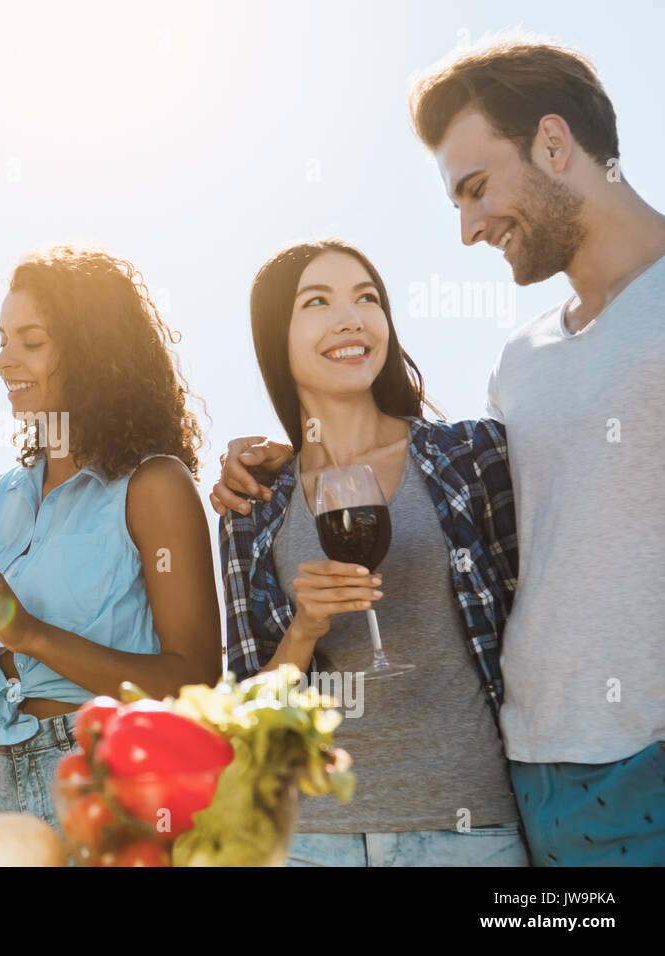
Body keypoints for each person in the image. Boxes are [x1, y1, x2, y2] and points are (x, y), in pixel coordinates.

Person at [215, 37, 665, 866]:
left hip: (625, 769)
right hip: (536, 769)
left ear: (555, 145)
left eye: (476, 188)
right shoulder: (523, 364)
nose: (466, 229)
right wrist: (289, 459)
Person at [220, 238, 527, 866]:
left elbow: (539, 621)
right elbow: (253, 710)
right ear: (277, 335)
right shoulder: (251, 506)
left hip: (469, 828)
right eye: (317, 302)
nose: (351, 318)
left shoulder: (474, 456)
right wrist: (305, 628)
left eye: (367, 298)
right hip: (311, 839)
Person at [0, 245, 223, 828]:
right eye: (2, 338)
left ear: (92, 350)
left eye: (31, 340)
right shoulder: (1, 496)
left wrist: (29, 632)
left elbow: (193, 680)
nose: (3, 359)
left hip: (107, 782)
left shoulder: (153, 485)